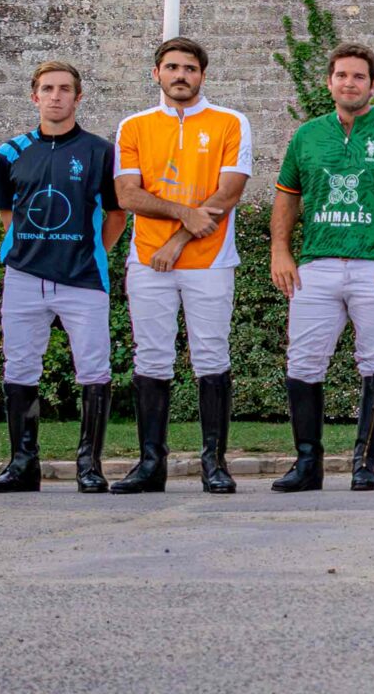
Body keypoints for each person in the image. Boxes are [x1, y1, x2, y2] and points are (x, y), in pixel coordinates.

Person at [268, 42, 374, 493]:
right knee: (304, 362)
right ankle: (308, 462)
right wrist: (279, 250)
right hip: (316, 266)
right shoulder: (308, 135)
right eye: (342, 75)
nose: (350, 83)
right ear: (330, 82)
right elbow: (287, 195)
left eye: (359, 77)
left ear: (373, 85)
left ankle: (366, 463)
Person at [112, 37, 252, 495]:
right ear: (156, 74)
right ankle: (151, 463)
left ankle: (214, 462)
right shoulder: (133, 126)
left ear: (202, 75)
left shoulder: (231, 122)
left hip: (208, 261)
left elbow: (229, 192)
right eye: (171, 67)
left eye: (189, 68)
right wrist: (183, 214)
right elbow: (127, 195)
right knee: (151, 358)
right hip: (148, 261)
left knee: (211, 356)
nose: (180, 76)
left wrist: (179, 239)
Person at [0, 61, 123, 495]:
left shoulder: (100, 151)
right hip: (24, 275)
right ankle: (23, 464)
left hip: (82, 276)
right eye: (48, 89)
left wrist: (89, 249)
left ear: (78, 98)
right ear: (34, 96)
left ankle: (89, 466)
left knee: (94, 369)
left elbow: (116, 215)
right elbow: (9, 213)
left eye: (65, 89)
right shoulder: (10, 152)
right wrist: (31, 249)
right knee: (21, 367)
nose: (56, 96)